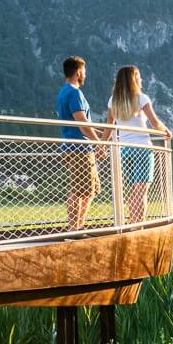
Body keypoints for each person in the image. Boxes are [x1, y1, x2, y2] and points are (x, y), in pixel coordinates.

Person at [106, 64, 169, 223]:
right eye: (139, 76)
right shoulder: (141, 98)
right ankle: (137, 226)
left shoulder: (113, 101)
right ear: (134, 79)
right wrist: (167, 131)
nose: (141, 79)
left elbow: (109, 127)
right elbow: (155, 123)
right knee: (140, 191)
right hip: (142, 149)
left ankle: (133, 223)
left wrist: (100, 145)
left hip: (124, 151)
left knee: (134, 190)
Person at [55, 55, 106, 229]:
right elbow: (82, 123)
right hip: (79, 148)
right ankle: (74, 228)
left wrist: (102, 134)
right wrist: (99, 143)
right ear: (78, 72)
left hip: (76, 146)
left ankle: (79, 225)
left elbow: (83, 123)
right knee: (78, 190)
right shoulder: (74, 93)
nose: (86, 74)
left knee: (90, 190)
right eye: (84, 71)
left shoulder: (64, 92)